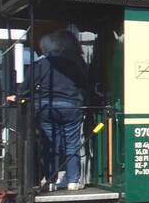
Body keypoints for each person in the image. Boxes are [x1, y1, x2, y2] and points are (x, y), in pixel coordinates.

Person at [10, 31, 90, 190]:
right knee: (72, 143)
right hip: (71, 106)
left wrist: (17, 96)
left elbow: (26, 88)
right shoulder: (73, 64)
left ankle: (51, 180)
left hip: (46, 106)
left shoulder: (40, 64)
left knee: (51, 143)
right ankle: (73, 180)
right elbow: (84, 84)